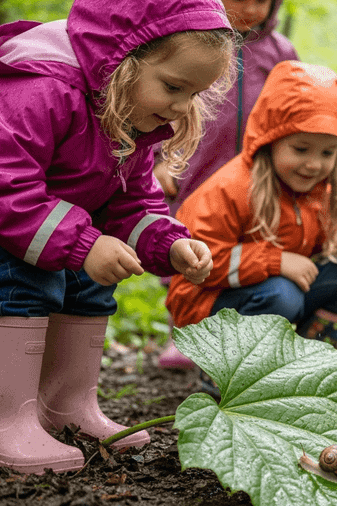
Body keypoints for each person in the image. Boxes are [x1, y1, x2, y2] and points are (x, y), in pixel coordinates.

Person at [0, 0, 234, 475]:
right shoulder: (44, 89)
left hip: (52, 234)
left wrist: (167, 242)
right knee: (30, 281)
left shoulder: (126, 115)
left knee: (92, 282)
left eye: (194, 94)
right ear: (121, 59)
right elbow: (9, 185)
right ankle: (8, 416)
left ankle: (65, 406)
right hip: (9, 235)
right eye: (173, 87)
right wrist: (84, 244)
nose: (181, 107)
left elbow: (133, 201)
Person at [165, 61, 337, 400]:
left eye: (327, 153)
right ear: (271, 140)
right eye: (301, 149)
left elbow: (330, 232)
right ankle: (228, 377)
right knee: (282, 294)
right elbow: (197, 262)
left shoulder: (315, 189)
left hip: (266, 293)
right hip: (206, 305)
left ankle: (308, 371)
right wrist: (275, 262)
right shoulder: (232, 187)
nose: (314, 164)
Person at [155, 0, 299, 370]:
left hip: (252, 175)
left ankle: (234, 333)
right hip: (194, 165)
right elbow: (159, 97)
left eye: (261, 1)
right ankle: (184, 329)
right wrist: (157, 158)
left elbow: (290, 107)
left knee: (243, 245)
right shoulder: (188, 39)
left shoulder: (279, 52)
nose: (251, 9)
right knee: (186, 241)